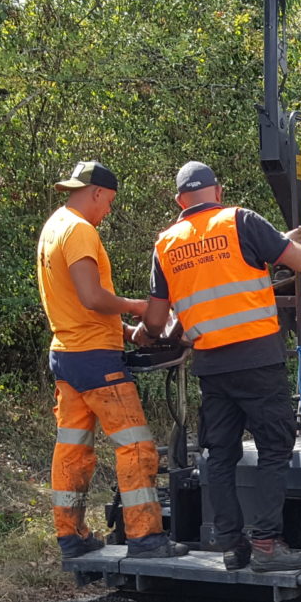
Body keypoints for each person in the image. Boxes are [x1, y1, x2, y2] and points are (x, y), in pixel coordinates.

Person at [142, 162, 301, 574]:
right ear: (217, 191)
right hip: (257, 359)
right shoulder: (241, 220)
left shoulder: (166, 243)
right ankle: (268, 546)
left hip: (212, 367)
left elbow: (155, 321)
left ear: (178, 201)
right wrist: (288, 243)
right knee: (275, 448)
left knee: (219, 454)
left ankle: (231, 546)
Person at [37, 160, 187, 567]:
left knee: (72, 449)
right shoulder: (81, 231)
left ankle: (72, 537)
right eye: (109, 203)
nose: (108, 212)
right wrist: (141, 307)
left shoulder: (54, 226)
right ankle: (145, 537)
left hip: (67, 355)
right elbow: (91, 296)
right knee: (136, 446)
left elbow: (76, 305)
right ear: (98, 192)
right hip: (94, 361)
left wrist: (124, 330)